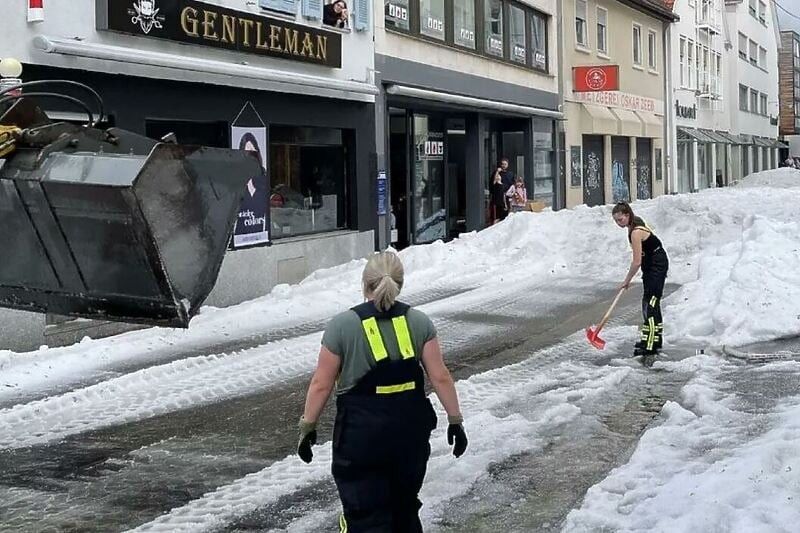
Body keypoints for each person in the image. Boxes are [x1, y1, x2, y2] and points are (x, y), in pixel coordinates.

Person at [297, 251, 468, 532]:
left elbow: (321, 384)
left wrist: (308, 427)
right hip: (410, 436)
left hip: (360, 438)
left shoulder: (342, 326)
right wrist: (455, 421)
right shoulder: (420, 322)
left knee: (366, 515)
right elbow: (440, 377)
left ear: (365, 284)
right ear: (400, 284)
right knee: (404, 508)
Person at [612, 202, 669, 360]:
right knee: (648, 302)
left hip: (656, 265)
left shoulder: (636, 232)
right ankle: (652, 340)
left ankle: (651, 346)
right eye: (616, 221)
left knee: (651, 304)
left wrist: (627, 280)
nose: (618, 223)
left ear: (627, 215)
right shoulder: (634, 224)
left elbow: (636, 261)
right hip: (651, 264)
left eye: (620, 219)